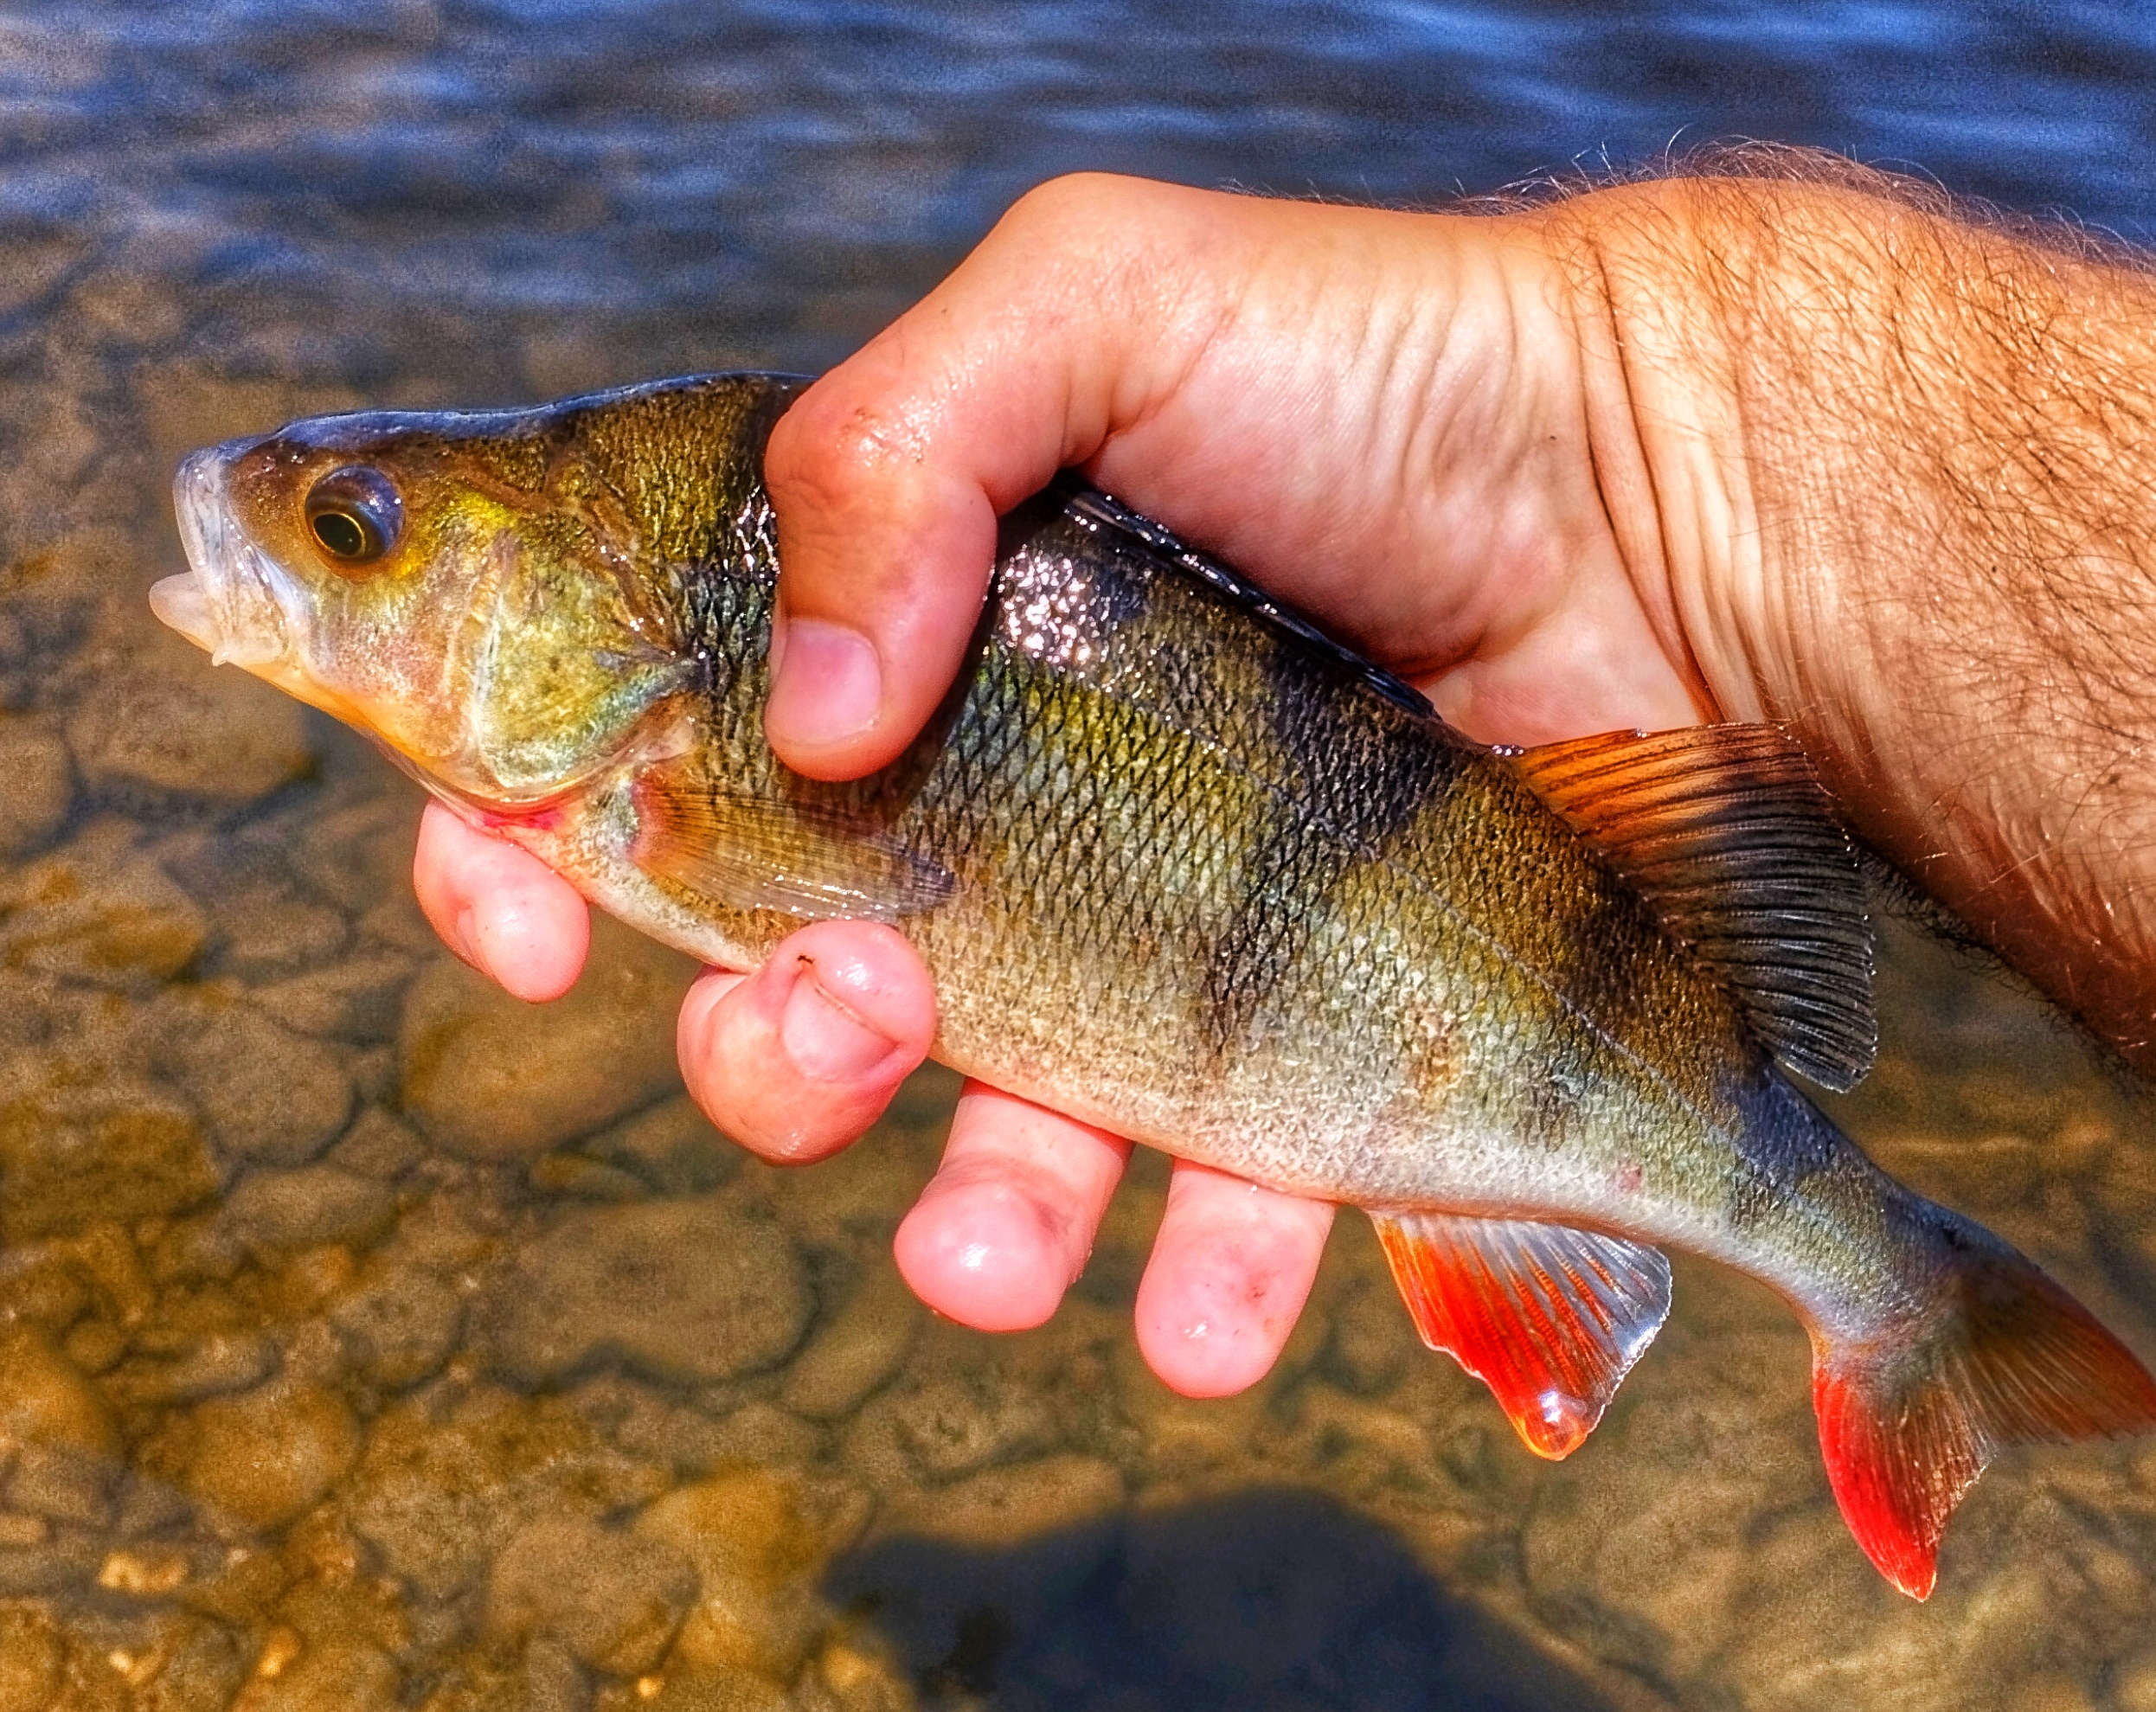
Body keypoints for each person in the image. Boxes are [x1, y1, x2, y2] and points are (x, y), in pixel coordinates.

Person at [409, 154, 2156, 1400]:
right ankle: (1887, 1282)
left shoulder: (670, 791)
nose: (324, 556)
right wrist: (1633, 428)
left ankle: (1896, 1296)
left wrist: (1631, 423)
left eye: (359, 537)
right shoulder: (635, 745)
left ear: (575, 606)